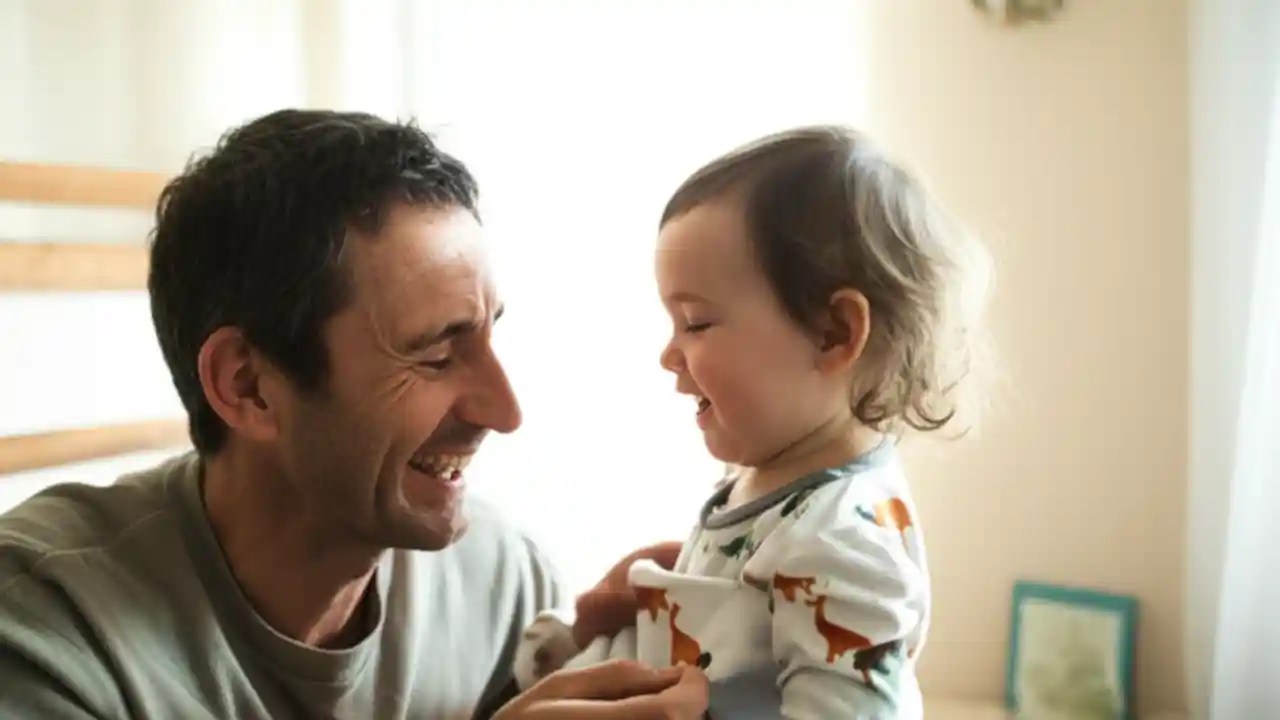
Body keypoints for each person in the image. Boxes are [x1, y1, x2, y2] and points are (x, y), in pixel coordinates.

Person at [0, 109, 708, 719]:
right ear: (248, 386)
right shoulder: (44, 627)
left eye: (490, 330)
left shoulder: (503, 587)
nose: (504, 410)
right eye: (434, 353)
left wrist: (572, 657)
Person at [515, 126, 992, 718]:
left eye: (695, 323)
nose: (669, 354)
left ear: (834, 333)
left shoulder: (842, 539)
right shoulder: (774, 485)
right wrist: (586, 637)